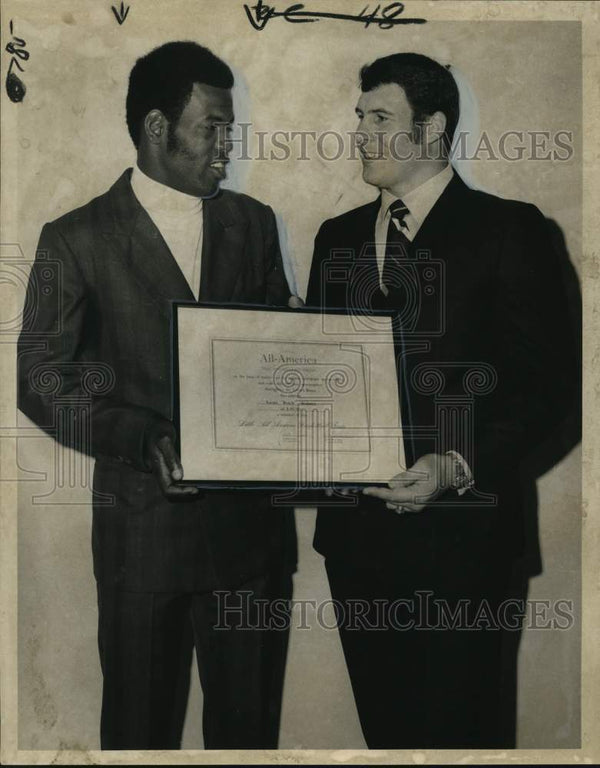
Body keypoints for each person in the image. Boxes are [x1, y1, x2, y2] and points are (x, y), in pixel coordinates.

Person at [17, 41, 297, 750]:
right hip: (140, 543)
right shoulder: (73, 238)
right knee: (138, 738)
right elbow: (40, 377)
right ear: (155, 128)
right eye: (213, 127)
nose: (227, 145)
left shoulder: (255, 223)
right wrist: (139, 435)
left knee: (249, 741)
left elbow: (276, 362)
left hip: (251, 545)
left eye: (230, 128)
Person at [306, 53, 577, 748]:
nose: (360, 134)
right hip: (358, 546)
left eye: (380, 118)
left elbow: (551, 393)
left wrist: (455, 465)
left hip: (465, 545)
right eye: (359, 118)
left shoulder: (511, 231)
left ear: (431, 130)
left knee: (462, 740)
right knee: (387, 740)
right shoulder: (334, 239)